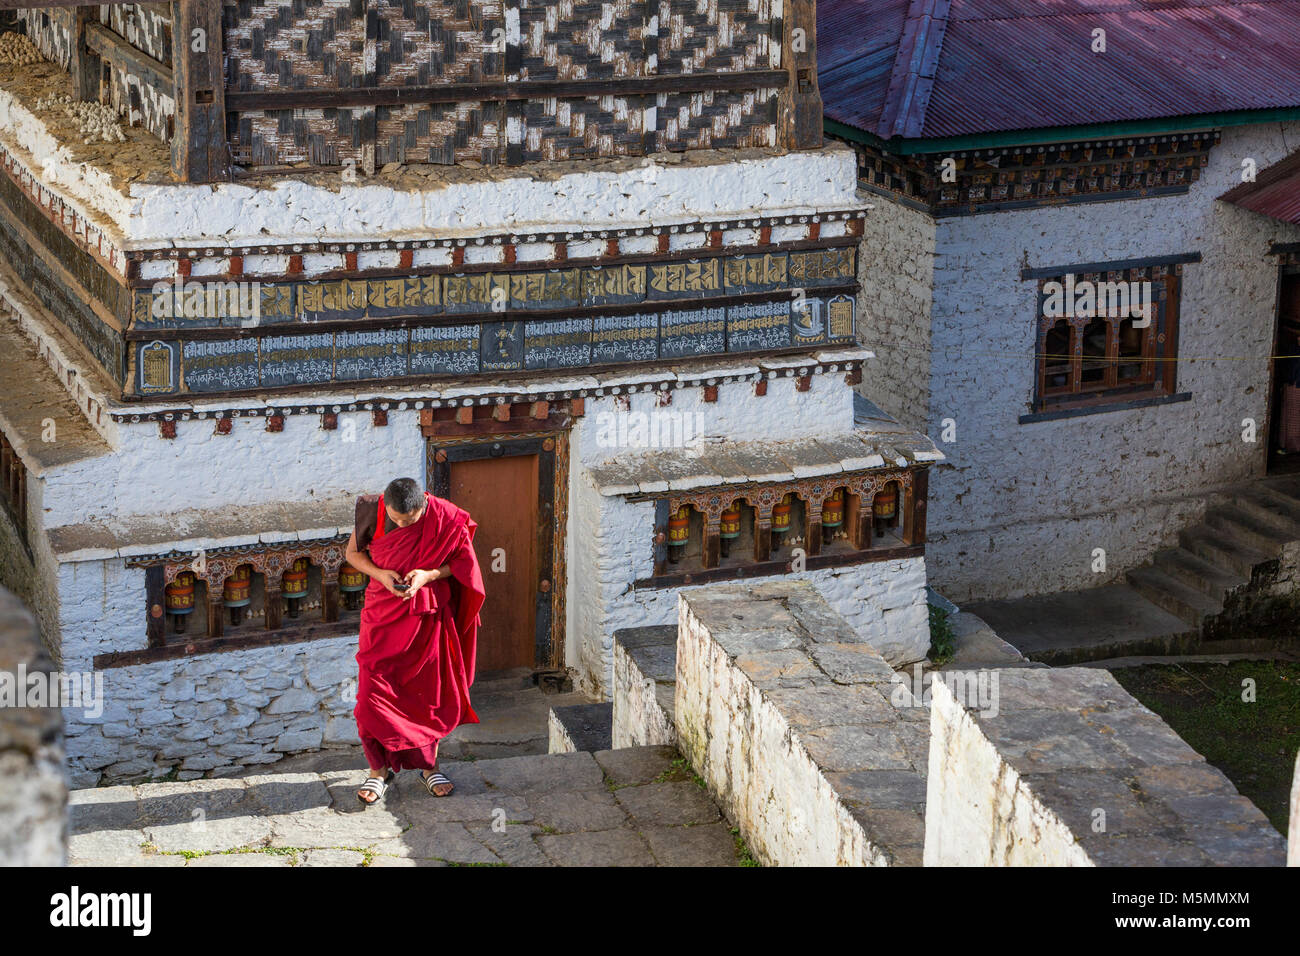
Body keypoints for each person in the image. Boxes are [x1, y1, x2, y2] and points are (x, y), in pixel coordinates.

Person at [343, 477, 485, 804]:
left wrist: (428, 575)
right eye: (396, 519)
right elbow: (352, 553)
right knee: (369, 697)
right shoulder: (371, 511)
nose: (401, 524)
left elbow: (463, 564)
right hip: (382, 615)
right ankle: (378, 771)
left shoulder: (446, 517)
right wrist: (380, 575)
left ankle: (429, 766)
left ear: (424, 504)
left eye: (409, 520)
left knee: (426, 696)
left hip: (427, 618)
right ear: (387, 506)